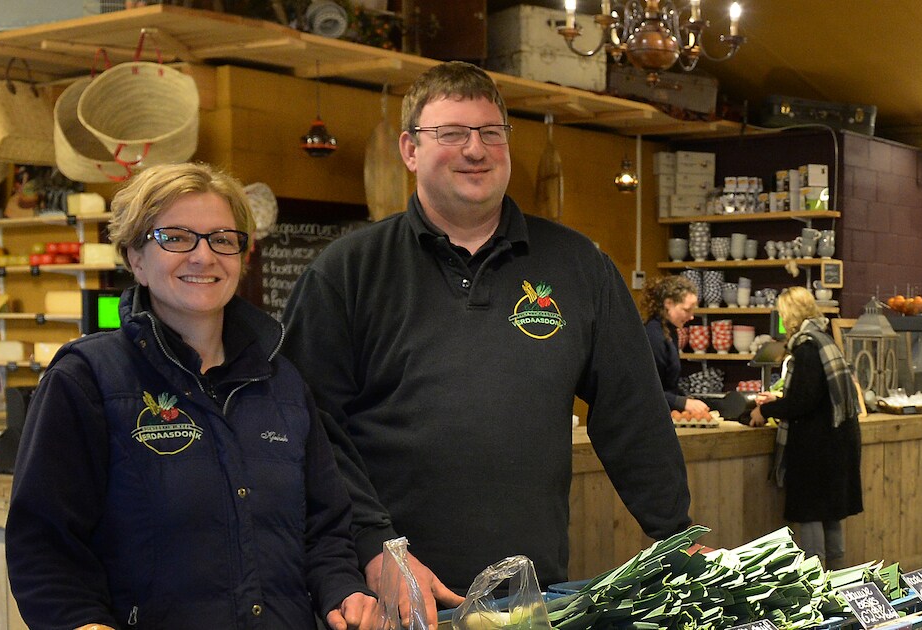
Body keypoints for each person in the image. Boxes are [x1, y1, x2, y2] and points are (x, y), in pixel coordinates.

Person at [281, 61, 693, 621]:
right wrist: (373, 546)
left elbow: (634, 412)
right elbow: (309, 428)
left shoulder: (579, 267)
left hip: (529, 599)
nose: (475, 149)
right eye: (451, 133)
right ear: (410, 149)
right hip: (388, 601)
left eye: (491, 133)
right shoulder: (347, 272)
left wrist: (676, 534)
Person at [5, 163, 380, 630]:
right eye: (177, 238)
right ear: (136, 259)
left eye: (223, 239)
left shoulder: (282, 382)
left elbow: (325, 531)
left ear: (242, 256)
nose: (204, 256)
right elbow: (43, 546)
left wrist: (342, 590)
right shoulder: (86, 379)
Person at [748, 286, 863, 569]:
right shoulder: (825, 341)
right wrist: (779, 401)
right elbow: (815, 395)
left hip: (816, 448)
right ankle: (838, 577)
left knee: (811, 512)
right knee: (831, 514)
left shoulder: (807, 348)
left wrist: (765, 409)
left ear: (789, 315)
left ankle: (816, 577)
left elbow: (801, 402)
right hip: (837, 441)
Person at [641, 275, 712, 416]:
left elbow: (668, 386)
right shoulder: (653, 335)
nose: (691, 316)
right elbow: (646, 389)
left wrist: (685, 400)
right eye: (686, 310)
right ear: (668, 303)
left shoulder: (669, 331)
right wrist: (681, 402)